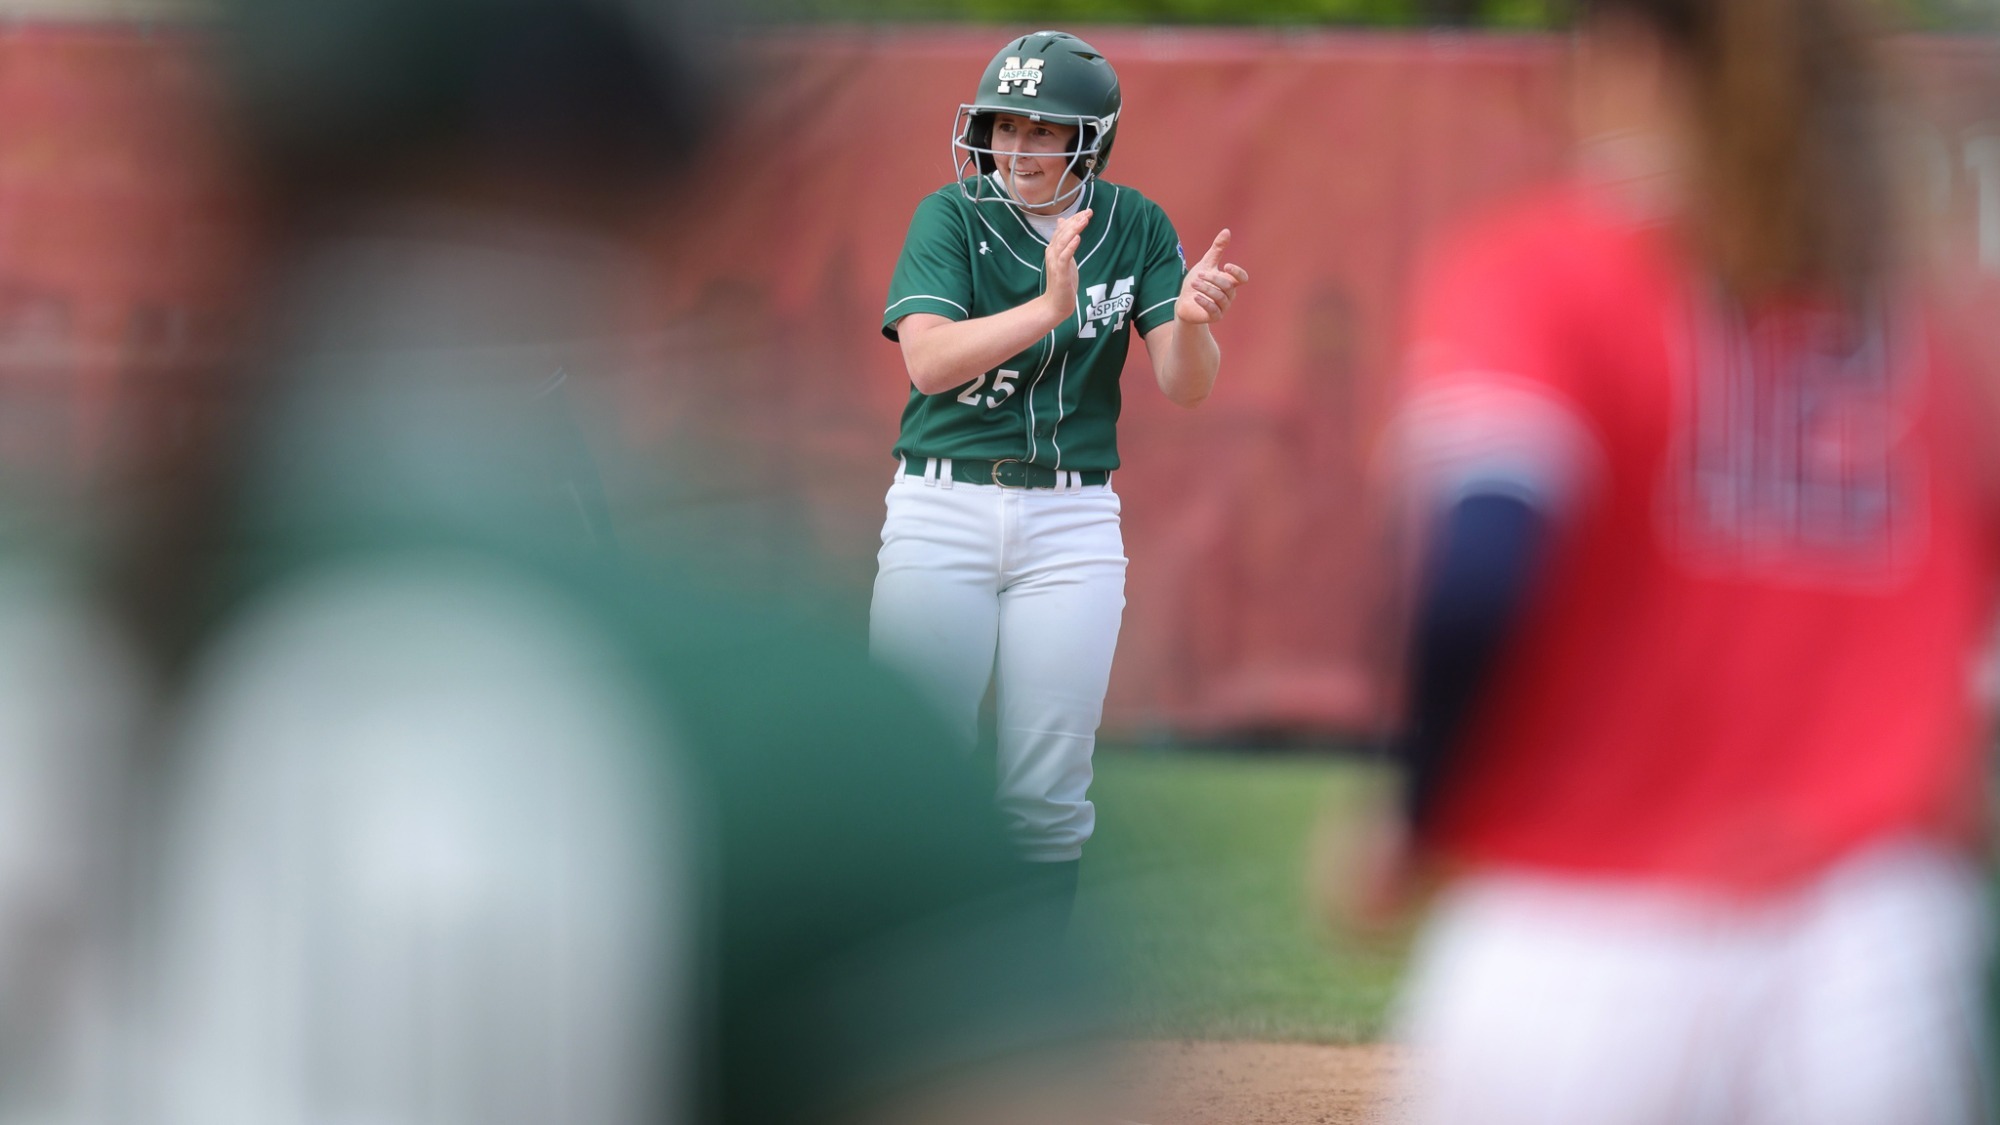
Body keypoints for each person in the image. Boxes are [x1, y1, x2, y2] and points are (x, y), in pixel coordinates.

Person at [1368, 0, 1998, 1120]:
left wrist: (1415, 809)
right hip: (1873, 953)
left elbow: (1477, 571)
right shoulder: (1941, 319)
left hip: (1574, 939)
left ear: (1625, 53)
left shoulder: (1542, 270)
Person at [872, 30, 1249, 915]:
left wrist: (1192, 321)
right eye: (1006, 125)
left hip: (1071, 524)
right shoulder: (951, 214)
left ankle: (1025, 1017)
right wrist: (1049, 308)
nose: (1017, 146)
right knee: (917, 771)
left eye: (1044, 130)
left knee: (1047, 789)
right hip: (941, 506)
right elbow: (927, 362)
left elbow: (1183, 386)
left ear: (1092, 139)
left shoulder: (1138, 222)